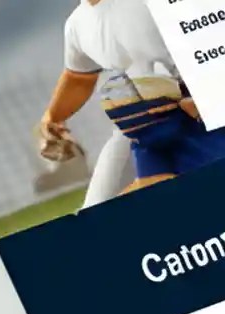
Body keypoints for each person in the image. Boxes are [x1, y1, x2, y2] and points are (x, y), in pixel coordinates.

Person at [38, 0, 225, 194]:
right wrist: (52, 117)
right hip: (146, 128)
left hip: (204, 117)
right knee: (106, 209)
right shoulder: (77, 26)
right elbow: (78, 78)